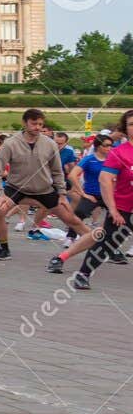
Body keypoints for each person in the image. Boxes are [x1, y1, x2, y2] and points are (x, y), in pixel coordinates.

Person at [0, 109, 92, 259]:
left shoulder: (50, 144)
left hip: (44, 190)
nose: (37, 127)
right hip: (16, 188)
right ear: (24, 123)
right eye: (34, 123)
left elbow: (58, 172)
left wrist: (62, 195)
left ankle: (96, 243)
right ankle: (4, 249)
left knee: (71, 219)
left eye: (40, 124)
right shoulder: (10, 143)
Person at [57, 109, 133, 290]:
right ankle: (83, 274)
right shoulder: (119, 153)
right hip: (124, 208)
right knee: (108, 242)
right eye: (131, 124)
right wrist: (113, 210)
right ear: (125, 128)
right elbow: (105, 180)